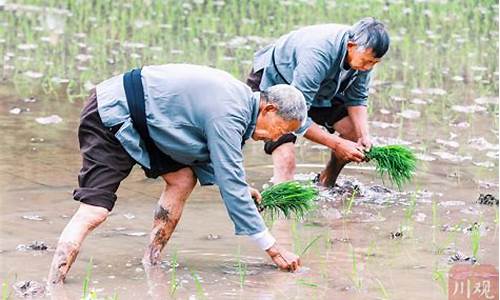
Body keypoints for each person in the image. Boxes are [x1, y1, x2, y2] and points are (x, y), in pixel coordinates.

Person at [47, 64, 307, 285]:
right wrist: (273, 249)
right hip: (113, 110)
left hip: (147, 120)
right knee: (95, 211)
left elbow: (213, 158)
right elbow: (231, 183)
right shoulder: (230, 113)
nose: (275, 138)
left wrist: (240, 187)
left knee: (182, 179)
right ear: (269, 110)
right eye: (280, 129)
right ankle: (53, 284)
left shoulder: (239, 105)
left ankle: (151, 260)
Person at [247, 17, 390, 186]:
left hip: (324, 87)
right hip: (278, 82)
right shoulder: (318, 53)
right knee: (286, 158)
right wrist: (337, 144)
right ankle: (280, 201)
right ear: (350, 46)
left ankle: (326, 183)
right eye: (366, 61)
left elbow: (357, 98)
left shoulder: (363, 56)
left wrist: (363, 136)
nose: (368, 67)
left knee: (352, 133)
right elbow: (298, 116)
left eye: (374, 63)